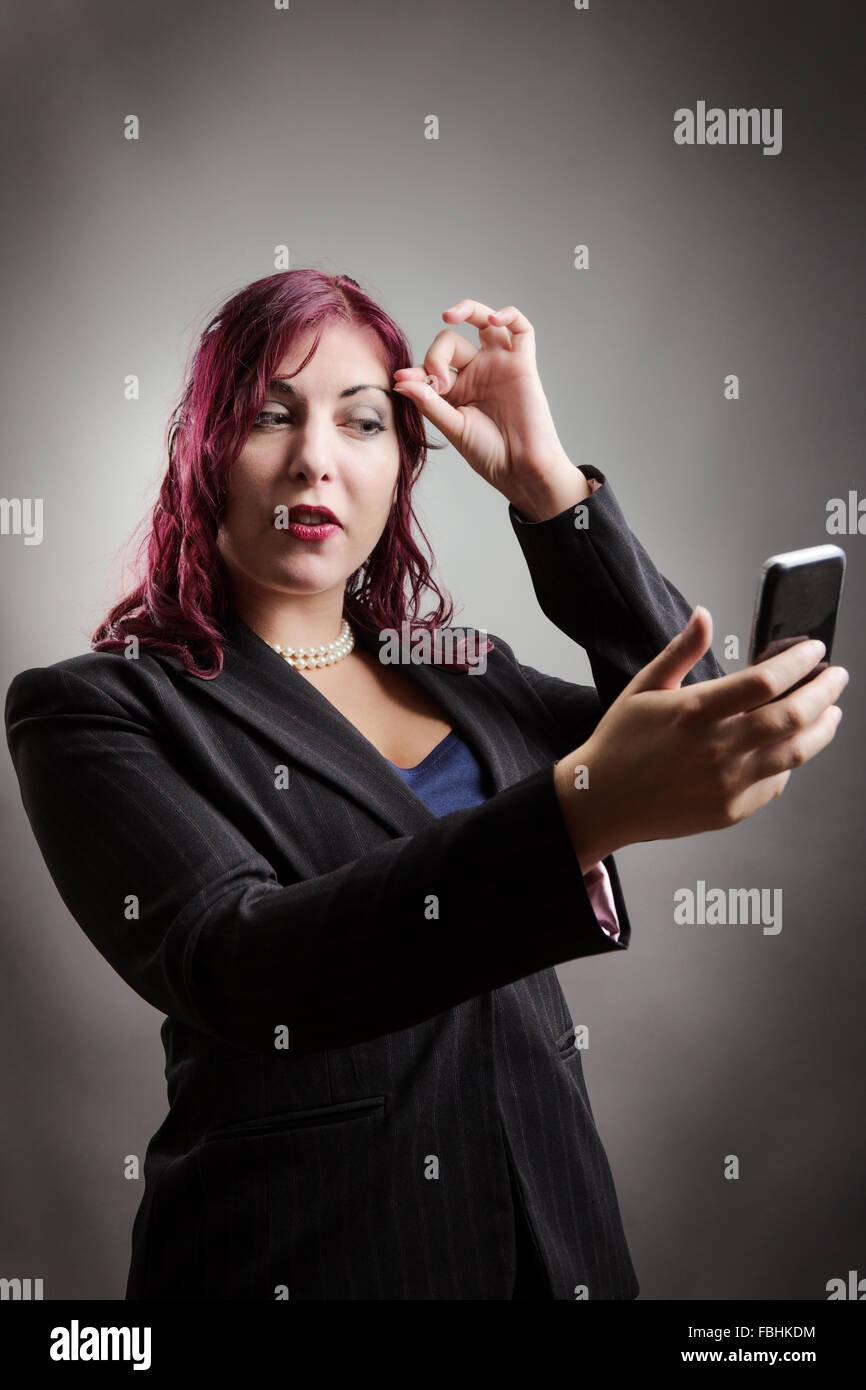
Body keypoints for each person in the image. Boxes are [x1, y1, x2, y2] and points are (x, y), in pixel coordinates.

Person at [4, 271, 848, 1301]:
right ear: (205, 451)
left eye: (363, 423)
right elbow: (238, 961)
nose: (314, 459)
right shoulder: (99, 707)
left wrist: (547, 486)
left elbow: (708, 719)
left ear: (402, 463)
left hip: (556, 1246)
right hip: (305, 1262)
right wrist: (577, 810)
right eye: (271, 415)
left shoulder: (464, 668)